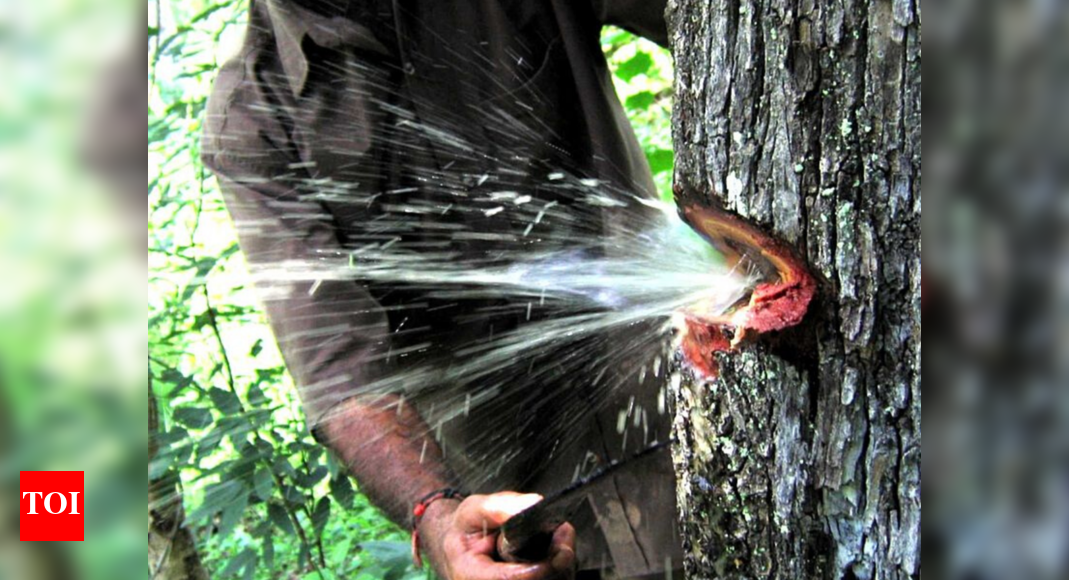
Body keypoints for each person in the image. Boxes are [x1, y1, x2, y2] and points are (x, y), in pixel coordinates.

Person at [202, 1, 681, 578]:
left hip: (695, 417)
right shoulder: (254, 118)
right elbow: (341, 371)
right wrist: (437, 517)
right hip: (526, 520)